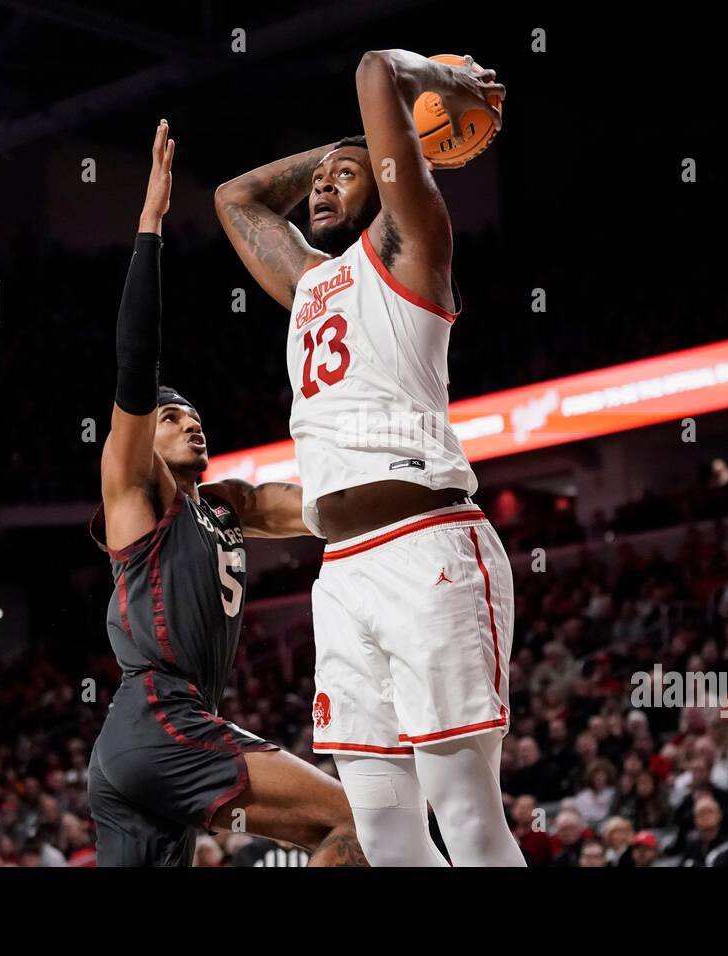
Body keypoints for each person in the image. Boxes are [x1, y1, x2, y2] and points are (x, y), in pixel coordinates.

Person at [215, 50, 519, 866]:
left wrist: (438, 86)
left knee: (465, 811)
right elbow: (235, 198)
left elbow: (373, 69)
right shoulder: (309, 283)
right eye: (317, 178)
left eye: (345, 175)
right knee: (382, 827)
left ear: (389, 184)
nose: (320, 186)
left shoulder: (413, 244)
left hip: (429, 549)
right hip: (342, 573)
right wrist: (329, 159)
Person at [86, 122, 365, 867]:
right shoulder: (136, 493)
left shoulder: (225, 505)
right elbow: (135, 363)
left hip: (138, 753)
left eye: (197, 418)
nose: (191, 426)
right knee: (354, 825)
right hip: (159, 720)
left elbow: (320, 506)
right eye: (174, 419)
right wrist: (150, 223)